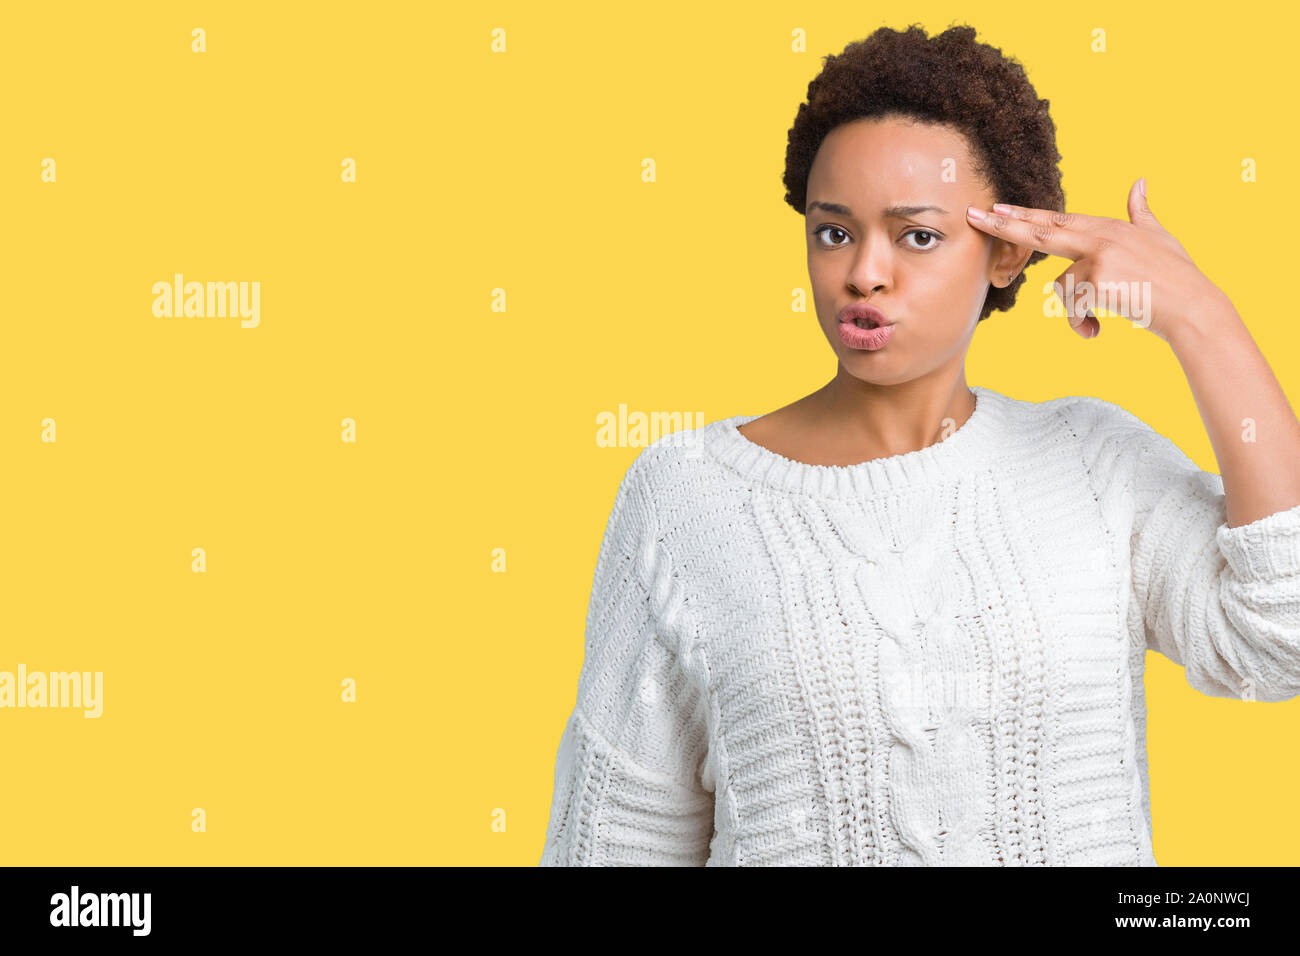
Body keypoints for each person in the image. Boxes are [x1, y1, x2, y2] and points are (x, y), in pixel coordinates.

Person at [539, 23, 1300, 866]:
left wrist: (1199, 314)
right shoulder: (684, 500)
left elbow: (1282, 637)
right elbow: (612, 841)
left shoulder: (1093, 465)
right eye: (834, 232)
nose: (865, 272)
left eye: (918, 235)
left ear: (1008, 250)